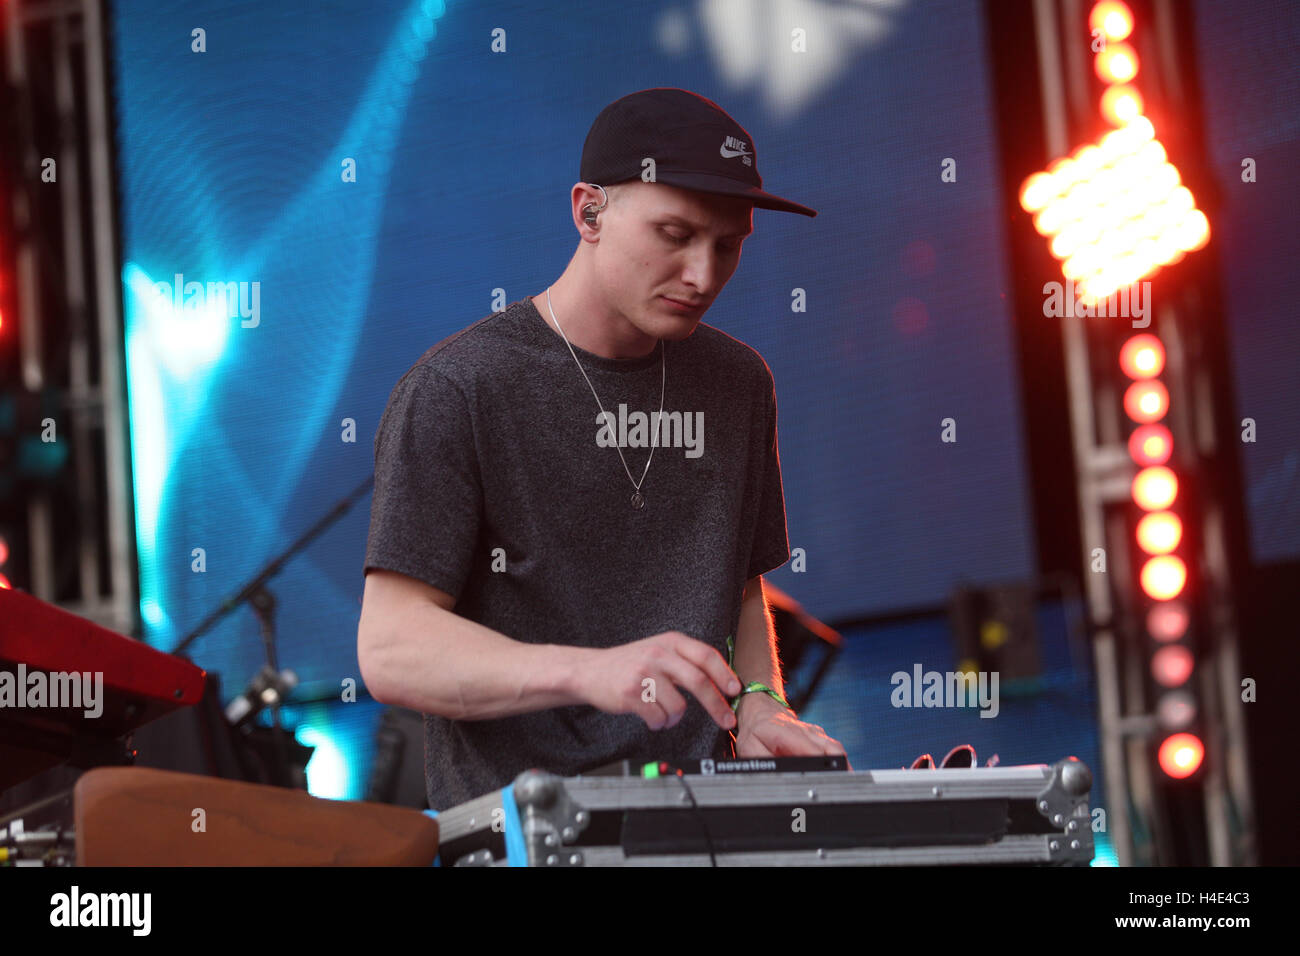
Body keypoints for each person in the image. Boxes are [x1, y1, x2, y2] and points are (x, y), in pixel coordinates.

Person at [358, 88, 845, 811]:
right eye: (674, 234)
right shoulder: (459, 389)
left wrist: (762, 706)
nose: (703, 275)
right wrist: (591, 673)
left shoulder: (739, 383)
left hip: (702, 825)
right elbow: (391, 650)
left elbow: (738, 589)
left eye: (728, 245)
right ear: (588, 211)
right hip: (525, 835)